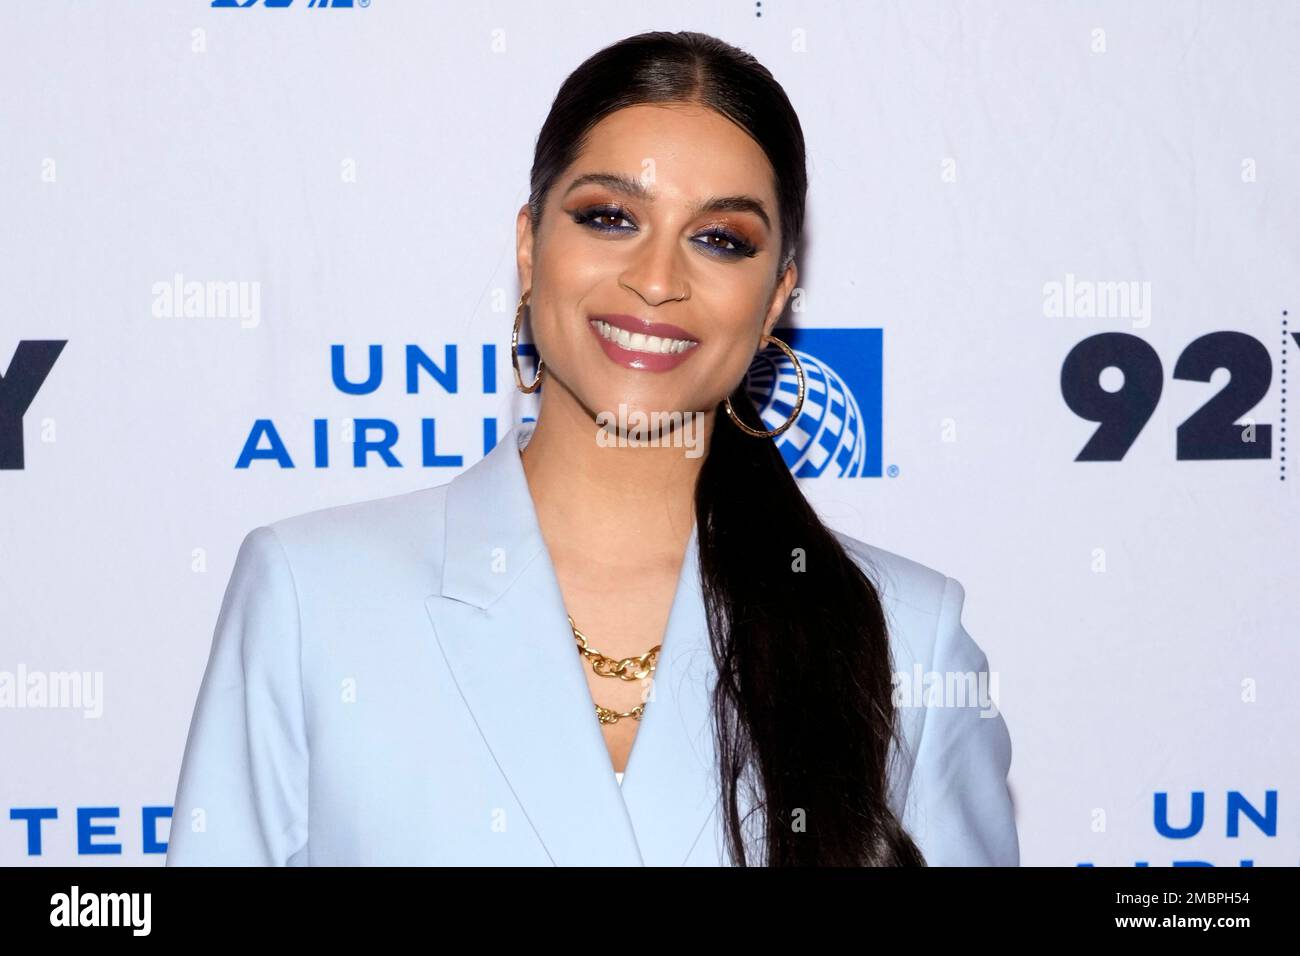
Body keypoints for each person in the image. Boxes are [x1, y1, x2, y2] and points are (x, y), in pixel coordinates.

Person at [166, 30, 1018, 867]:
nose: (655, 279)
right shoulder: (314, 598)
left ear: (774, 300)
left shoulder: (907, 639)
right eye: (610, 218)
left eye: (720, 238)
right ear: (530, 248)